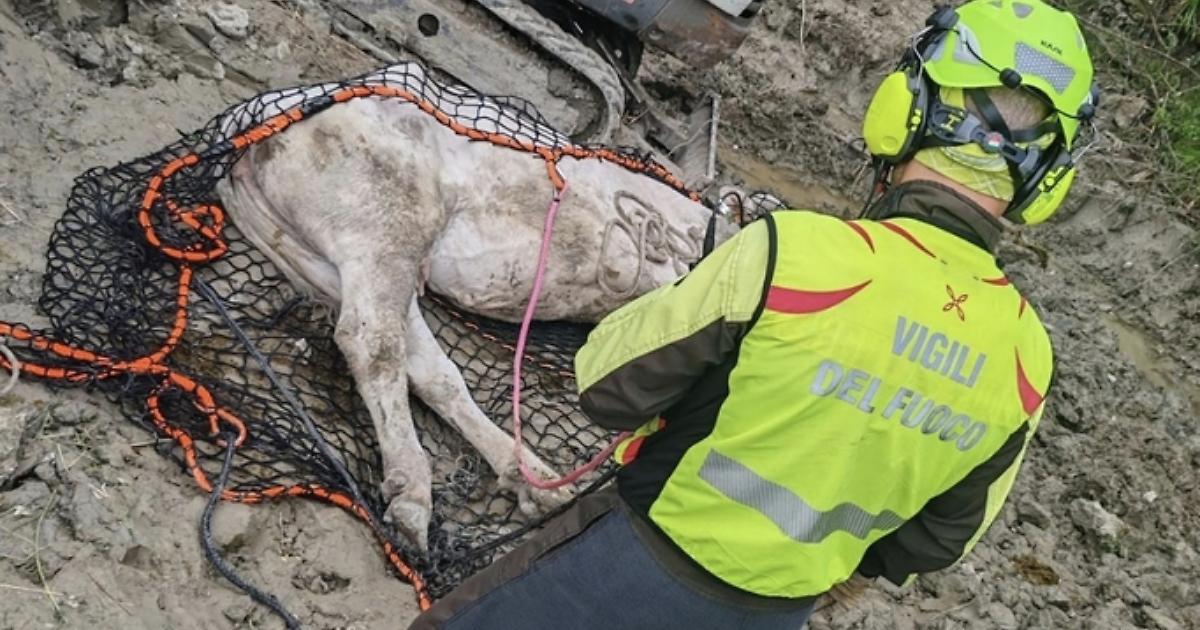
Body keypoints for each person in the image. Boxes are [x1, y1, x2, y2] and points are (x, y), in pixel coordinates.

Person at [409, 0, 1098, 628]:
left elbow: (606, 385)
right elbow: (933, 542)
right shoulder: (1025, 357)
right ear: (1050, 179)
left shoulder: (796, 253)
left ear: (905, 107)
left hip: (628, 567)